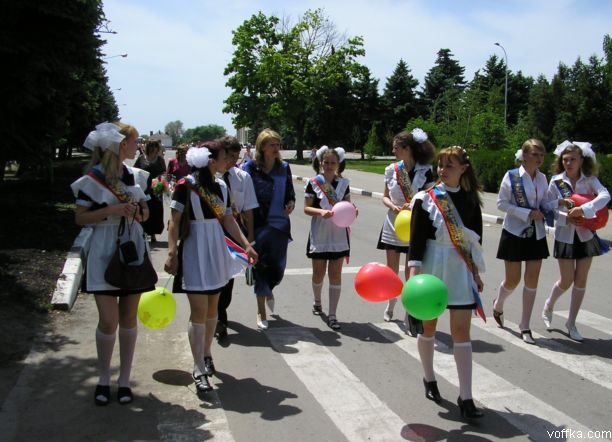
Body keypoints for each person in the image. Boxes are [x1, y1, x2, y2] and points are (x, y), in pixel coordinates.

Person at [164, 142, 258, 392]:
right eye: (224, 157)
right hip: (194, 249)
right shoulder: (186, 186)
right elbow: (174, 222)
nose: (228, 160)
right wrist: (172, 252)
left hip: (216, 249)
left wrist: (246, 245)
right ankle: (197, 368)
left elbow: (228, 218)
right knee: (198, 310)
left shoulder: (222, 186)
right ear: (211, 160)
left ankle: (206, 354)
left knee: (212, 309)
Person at [70, 122, 151, 406]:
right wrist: (111, 210)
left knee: (129, 318)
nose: (137, 145)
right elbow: (80, 217)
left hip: (132, 246)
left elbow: (146, 213)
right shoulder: (93, 180)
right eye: (133, 141)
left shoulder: (137, 176)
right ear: (119, 145)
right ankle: (104, 378)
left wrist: (137, 211)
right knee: (108, 320)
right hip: (104, 247)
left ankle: (124, 380)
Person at [408, 146, 485, 419]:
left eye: (449, 165)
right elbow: (415, 242)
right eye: (440, 164)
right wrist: (413, 279)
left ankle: (466, 396)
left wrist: (475, 272)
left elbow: (474, 241)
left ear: (463, 168)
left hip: (460, 268)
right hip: (432, 266)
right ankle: (429, 378)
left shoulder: (471, 200)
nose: (442, 169)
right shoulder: (425, 199)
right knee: (428, 326)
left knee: (462, 332)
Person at [541, 140, 610, 342]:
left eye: (573, 159)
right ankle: (549, 304)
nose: (569, 163)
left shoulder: (589, 180)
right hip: (565, 235)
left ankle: (571, 323)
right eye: (565, 159)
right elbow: (547, 206)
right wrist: (565, 217)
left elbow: (605, 195)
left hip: (586, 235)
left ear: (581, 160)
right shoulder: (556, 182)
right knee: (566, 279)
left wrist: (585, 209)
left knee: (581, 280)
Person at [492, 139, 555, 345]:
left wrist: (556, 205)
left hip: (535, 234)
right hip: (514, 232)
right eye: (535, 154)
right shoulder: (512, 176)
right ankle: (498, 304)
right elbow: (501, 203)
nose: (539, 158)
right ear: (525, 155)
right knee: (513, 280)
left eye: (541, 155)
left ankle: (525, 325)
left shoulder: (543, 178)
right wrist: (527, 213)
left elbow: (544, 202)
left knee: (532, 280)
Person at [377, 128, 435, 335]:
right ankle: (390, 305)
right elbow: (384, 196)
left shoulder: (425, 170)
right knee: (391, 270)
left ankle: (409, 313)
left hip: (415, 226)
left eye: (396, 147)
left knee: (411, 272)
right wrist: (392, 206)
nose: (393, 150)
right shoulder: (391, 169)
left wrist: (414, 208)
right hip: (394, 223)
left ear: (407, 148)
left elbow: (431, 198)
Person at [242, 128, 296, 330]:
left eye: (278, 144)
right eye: (272, 145)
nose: (276, 148)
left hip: (280, 225)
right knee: (261, 267)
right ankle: (260, 311)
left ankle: (268, 290)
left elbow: (290, 191)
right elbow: (244, 195)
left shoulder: (284, 167)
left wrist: (290, 202)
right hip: (259, 224)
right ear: (261, 147)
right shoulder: (250, 168)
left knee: (278, 268)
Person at [304, 145, 354, 330]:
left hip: (339, 235)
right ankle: (317, 301)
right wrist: (320, 211)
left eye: (333, 162)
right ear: (320, 162)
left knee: (335, 274)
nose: (329, 165)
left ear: (339, 163)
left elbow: (347, 207)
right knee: (318, 273)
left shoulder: (344, 183)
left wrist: (353, 210)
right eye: (326, 162)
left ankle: (333, 314)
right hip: (320, 232)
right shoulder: (314, 182)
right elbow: (306, 208)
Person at [216, 136, 259, 339]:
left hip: (234, 231)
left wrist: (249, 237)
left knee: (229, 274)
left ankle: (221, 311)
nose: (233, 160)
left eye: (236, 156)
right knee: (214, 272)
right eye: (229, 155)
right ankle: (217, 316)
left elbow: (249, 209)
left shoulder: (243, 178)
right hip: (212, 232)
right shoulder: (209, 177)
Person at [134, 140, 166, 242]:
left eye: (155, 146)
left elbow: (164, 173)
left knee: (156, 211)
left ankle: (153, 234)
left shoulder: (160, 160)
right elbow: (134, 171)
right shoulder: (141, 159)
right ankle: (143, 232)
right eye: (151, 146)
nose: (153, 148)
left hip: (156, 188)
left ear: (158, 148)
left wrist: (161, 185)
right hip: (144, 188)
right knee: (144, 209)